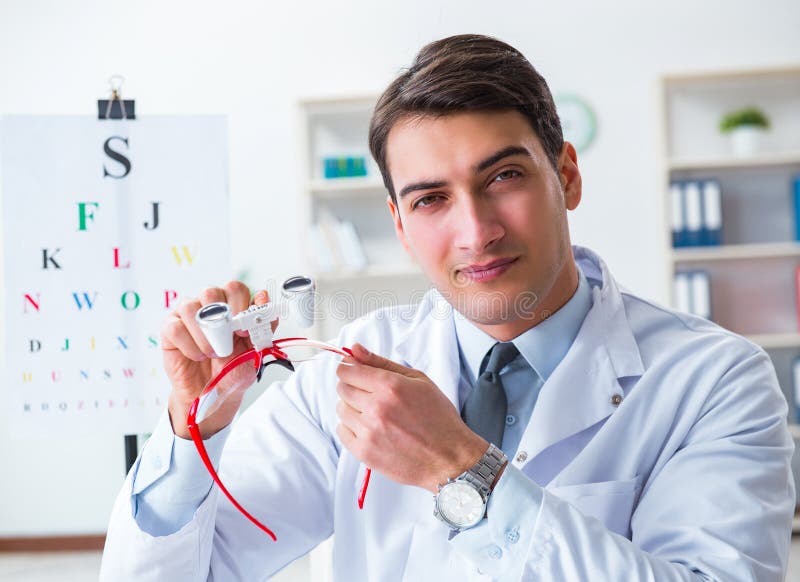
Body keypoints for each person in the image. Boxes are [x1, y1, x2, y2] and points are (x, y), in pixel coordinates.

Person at [100, 34, 794, 581]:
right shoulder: (350, 373)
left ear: (568, 175)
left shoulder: (715, 379)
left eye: (504, 177)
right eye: (431, 199)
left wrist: (461, 468)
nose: (476, 231)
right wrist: (194, 433)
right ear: (400, 225)